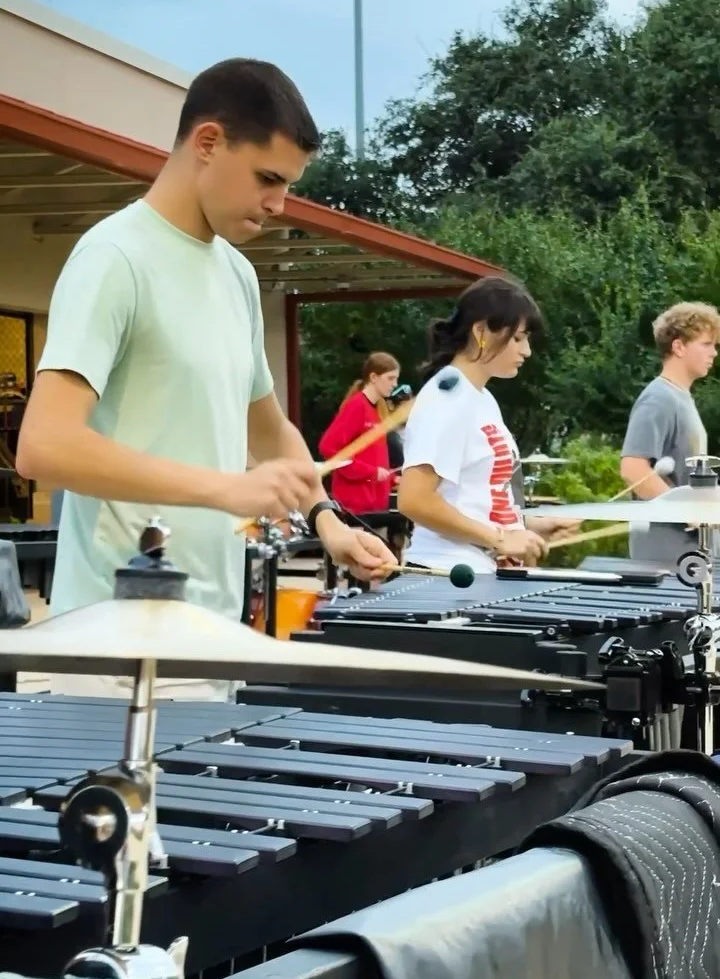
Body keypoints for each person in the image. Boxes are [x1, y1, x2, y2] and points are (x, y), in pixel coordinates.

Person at [17, 57, 396, 698]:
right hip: (116, 641)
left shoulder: (237, 276)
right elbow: (44, 446)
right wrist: (224, 489)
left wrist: (327, 520)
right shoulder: (115, 258)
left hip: (212, 630)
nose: (279, 205)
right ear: (208, 143)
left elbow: (269, 429)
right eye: (268, 179)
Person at [397, 277, 579, 574]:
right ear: (481, 331)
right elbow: (414, 499)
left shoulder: (481, 398)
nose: (527, 351)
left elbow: (474, 498)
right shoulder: (448, 396)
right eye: (518, 338)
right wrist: (500, 539)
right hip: (446, 575)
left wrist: (526, 526)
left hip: (476, 570)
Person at [620, 301, 720, 566]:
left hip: (690, 553)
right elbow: (634, 470)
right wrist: (686, 512)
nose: (714, 353)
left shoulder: (681, 398)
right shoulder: (658, 398)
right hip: (668, 555)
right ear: (678, 346)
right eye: (706, 344)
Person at [318, 352, 400, 516]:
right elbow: (328, 448)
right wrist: (370, 472)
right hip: (355, 509)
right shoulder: (356, 406)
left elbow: (373, 459)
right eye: (390, 378)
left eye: (396, 379)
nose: (395, 384)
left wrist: (392, 479)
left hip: (373, 508)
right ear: (374, 377)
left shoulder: (376, 410)